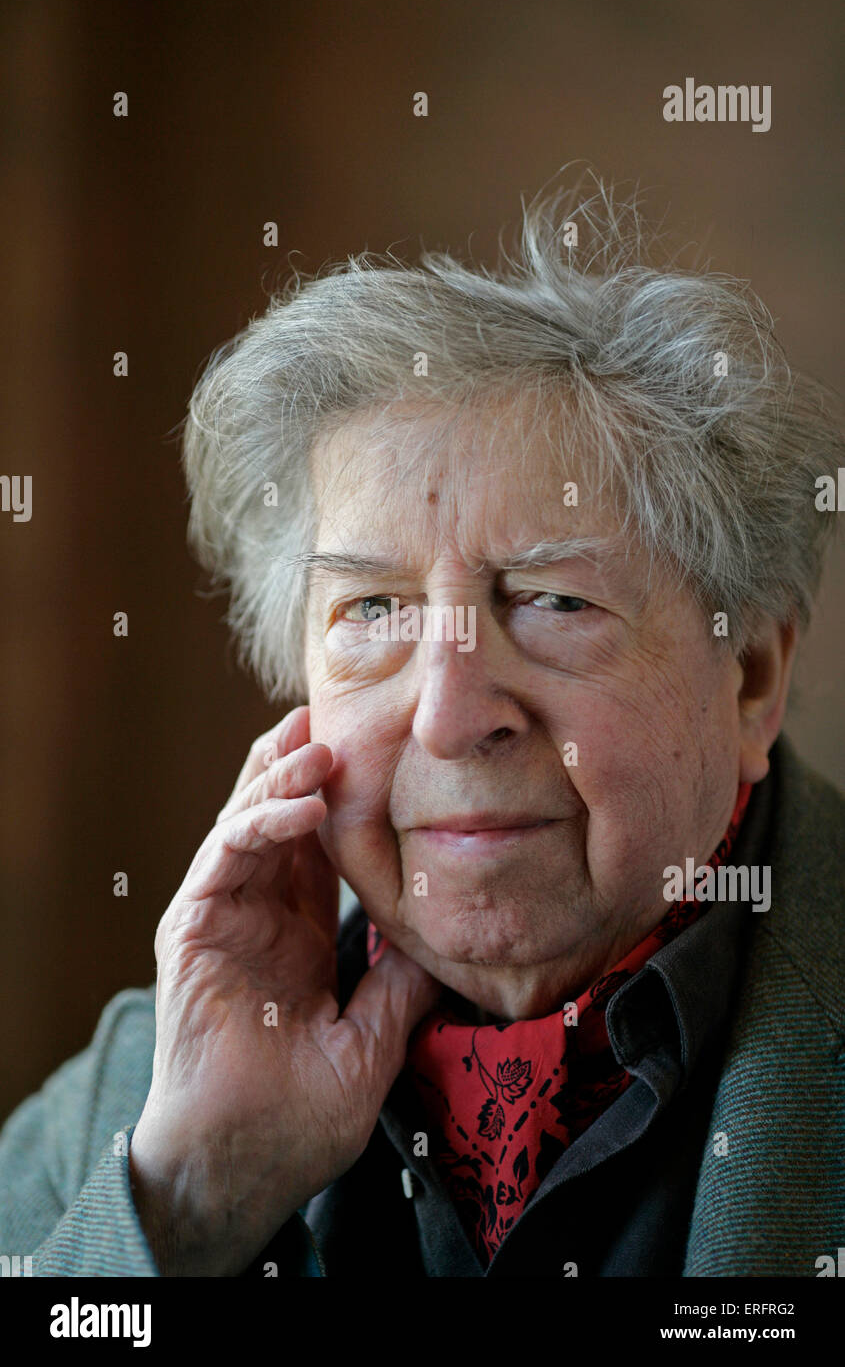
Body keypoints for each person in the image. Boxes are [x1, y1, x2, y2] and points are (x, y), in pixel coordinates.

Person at [1, 176, 842, 1277]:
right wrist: (188, 1202)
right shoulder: (132, 1110)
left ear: (750, 676)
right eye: (374, 610)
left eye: (554, 601)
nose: (448, 719)